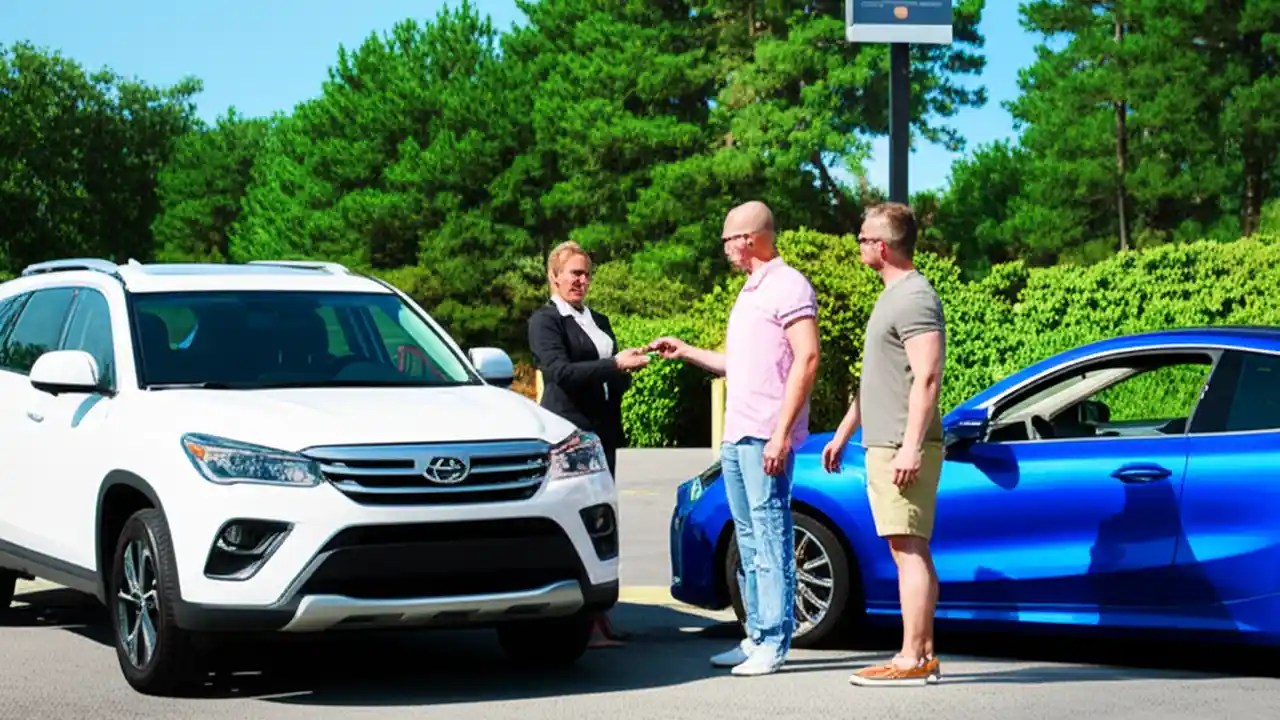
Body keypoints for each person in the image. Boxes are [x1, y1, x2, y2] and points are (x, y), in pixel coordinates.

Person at [650, 201, 819, 676]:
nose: (724, 248)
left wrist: (781, 434)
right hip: (738, 434)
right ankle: (757, 635)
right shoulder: (750, 290)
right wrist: (685, 352)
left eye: (728, 238)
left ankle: (774, 644)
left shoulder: (788, 284)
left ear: (748, 238)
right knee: (748, 540)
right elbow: (738, 365)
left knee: (770, 537)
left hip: (765, 433)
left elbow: (807, 359)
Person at [821, 202, 945, 686]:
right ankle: (923, 654)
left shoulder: (914, 297)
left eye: (863, 237)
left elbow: (928, 376)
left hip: (901, 443)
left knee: (909, 550)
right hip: (886, 440)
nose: (858, 244)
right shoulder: (892, 296)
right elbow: (881, 379)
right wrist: (844, 431)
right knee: (906, 548)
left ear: (883, 245)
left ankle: (912, 658)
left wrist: (911, 446)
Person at [528, 240, 650, 648]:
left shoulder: (598, 319)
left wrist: (628, 363)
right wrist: (614, 364)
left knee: (603, 523)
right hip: (570, 435)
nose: (581, 280)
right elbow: (560, 373)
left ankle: (601, 618)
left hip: (603, 432)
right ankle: (582, 623)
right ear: (554, 276)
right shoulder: (545, 321)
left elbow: (609, 372)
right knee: (578, 521)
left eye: (586, 273)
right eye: (574, 273)